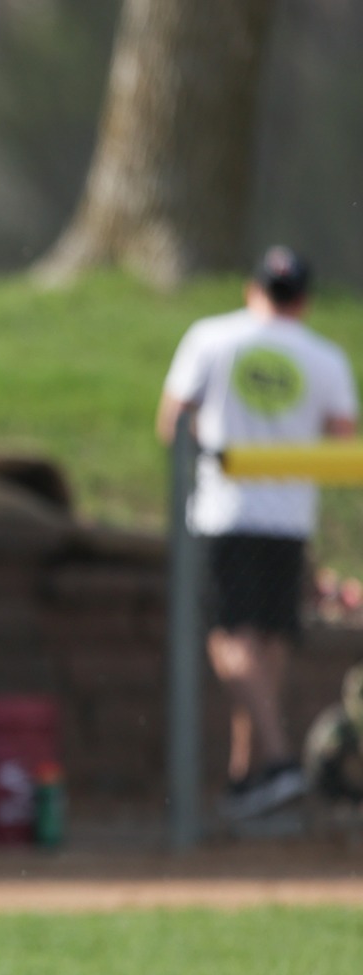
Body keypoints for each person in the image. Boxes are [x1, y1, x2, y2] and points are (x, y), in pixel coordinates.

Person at [156, 246, 357, 820]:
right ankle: (248, 783)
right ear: (306, 301)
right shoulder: (325, 358)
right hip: (290, 517)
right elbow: (342, 442)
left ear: (252, 290)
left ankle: (274, 760)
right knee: (266, 643)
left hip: (226, 513)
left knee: (229, 640)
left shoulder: (212, 338)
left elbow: (172, 422)